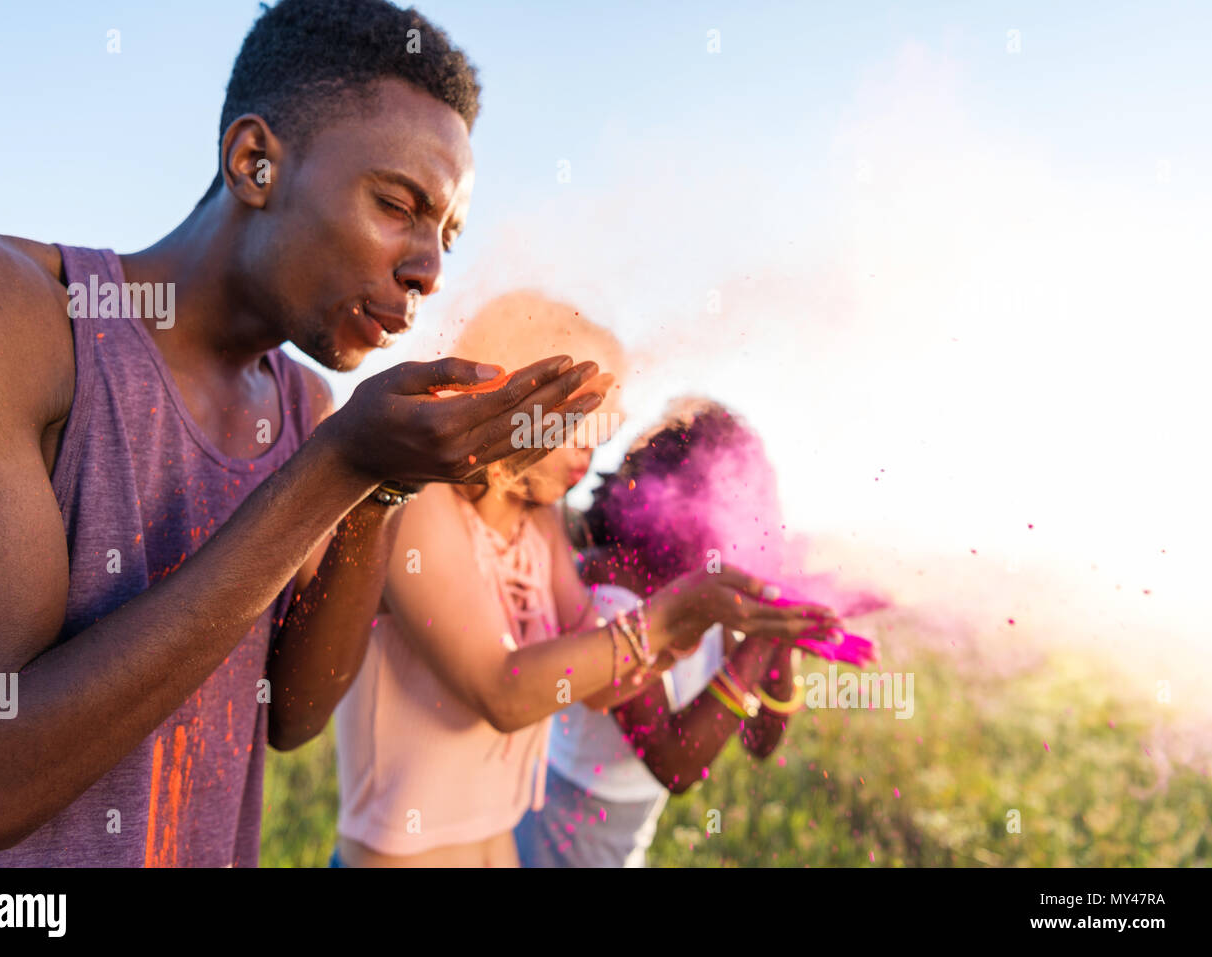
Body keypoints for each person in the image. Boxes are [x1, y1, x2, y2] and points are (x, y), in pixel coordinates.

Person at [0, 0, 609, 867]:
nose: (429, 267)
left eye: (447, 234)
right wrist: (338, 466)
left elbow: (294, 716)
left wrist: (381, 484)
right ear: (254, 162)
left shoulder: (308, 408)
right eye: (399, 204)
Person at [331, 295, 842, 867]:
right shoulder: (418, 500)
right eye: (583, 418)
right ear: (510, 391)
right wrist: (669, 615)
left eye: (607, 426)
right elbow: (504, 692)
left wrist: (690, 623)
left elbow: (599, 683)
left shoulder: (540, 519)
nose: (594, 446)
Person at [516, 398, 876, 867]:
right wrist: (765, 634)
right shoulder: (612, 594)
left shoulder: (716, 585)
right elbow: (675, 765)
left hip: (626, 830)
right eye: (732, 501)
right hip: (563, 828)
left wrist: (782, 632)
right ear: (673, 502)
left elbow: (760, 742)